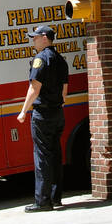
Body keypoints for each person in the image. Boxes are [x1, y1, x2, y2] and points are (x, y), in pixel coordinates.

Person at [17, 24, 69, 212]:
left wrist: (23, 111)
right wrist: (58, 105)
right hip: (57, 112)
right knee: (55, 155)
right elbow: (65, 91)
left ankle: (43, 201)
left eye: (35, 37)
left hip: (43, 114)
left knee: (42, 156)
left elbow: (34, 88)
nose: (33, 40)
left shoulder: (40, 60)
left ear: (45, 37)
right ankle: (56, 198)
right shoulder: (60, 60)